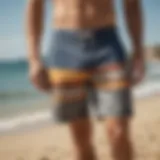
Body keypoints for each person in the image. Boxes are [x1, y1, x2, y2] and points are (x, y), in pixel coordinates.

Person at [25, 0, 144, 160]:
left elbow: (131, 5)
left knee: (118, 131)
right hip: (64, 47)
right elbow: (34, 6)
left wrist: (138, 52)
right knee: (80, 137)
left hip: (107, 45)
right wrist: (34, 58)